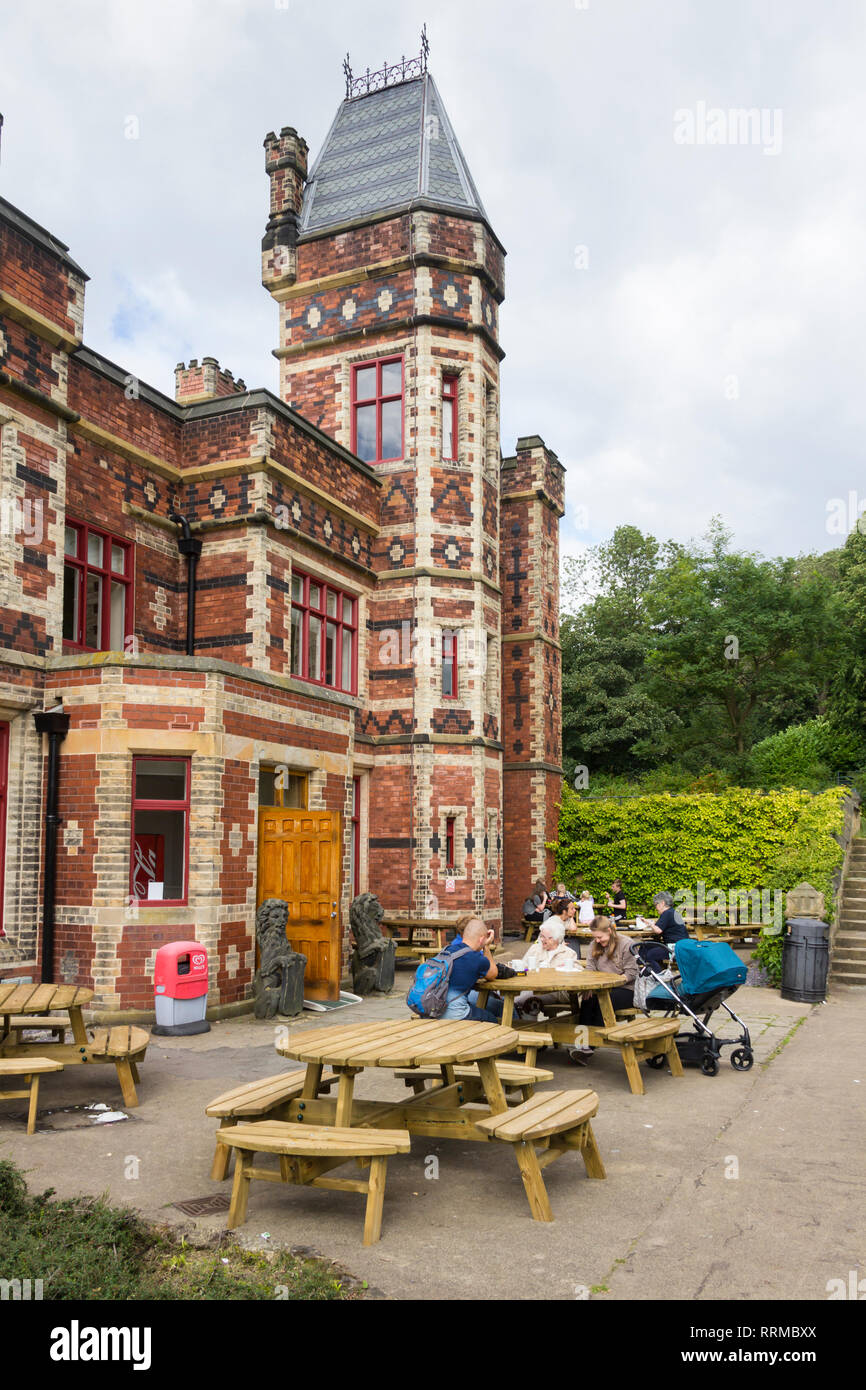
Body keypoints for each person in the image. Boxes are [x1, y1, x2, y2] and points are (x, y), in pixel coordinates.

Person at [570, 916, 638, 1065]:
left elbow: (631, 973)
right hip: (601, 988)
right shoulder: (595, 944)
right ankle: (582, 1044)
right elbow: (590, 969)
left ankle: (592, 1044)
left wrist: (610, 984)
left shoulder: (626, 944)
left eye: (600, 937)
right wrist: (589, 986)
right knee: (587, 1001)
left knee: (603, 1001)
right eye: (595, 938)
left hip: (626, 988)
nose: (598, 941)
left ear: (609, 930)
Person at [510, 916, 583, 1018]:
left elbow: (578, 972)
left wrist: (562, 970)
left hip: (558, 990)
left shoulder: (568, 953)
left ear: (557, 939)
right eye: (542, 936)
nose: (543, 940)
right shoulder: (535, 949)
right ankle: (525, 1026)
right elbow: (523, 966)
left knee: (522, 999)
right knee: (515, 996)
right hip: (533, 986)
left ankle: (523, 1025)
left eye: (548, 938)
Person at [440, 917, 508, 1021]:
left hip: (431, 1007)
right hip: (453, 1013)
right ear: (481, 939)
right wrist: (486, 946)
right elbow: (493, 973)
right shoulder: (476, 958)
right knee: (492, 1019)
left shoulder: (446, 950)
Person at [638, 891, 688, 968]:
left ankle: (658, 976)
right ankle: (646, 969)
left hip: (675, 948)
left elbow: (658, 930)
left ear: (662, 903)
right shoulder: (672, 912)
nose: (656, 908)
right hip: (681, 946)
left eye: (656, 905)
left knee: (650, 955)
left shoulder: (667, 913)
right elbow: (659, 927)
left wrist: (651, 924)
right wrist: (649, 922)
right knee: (645, 946)